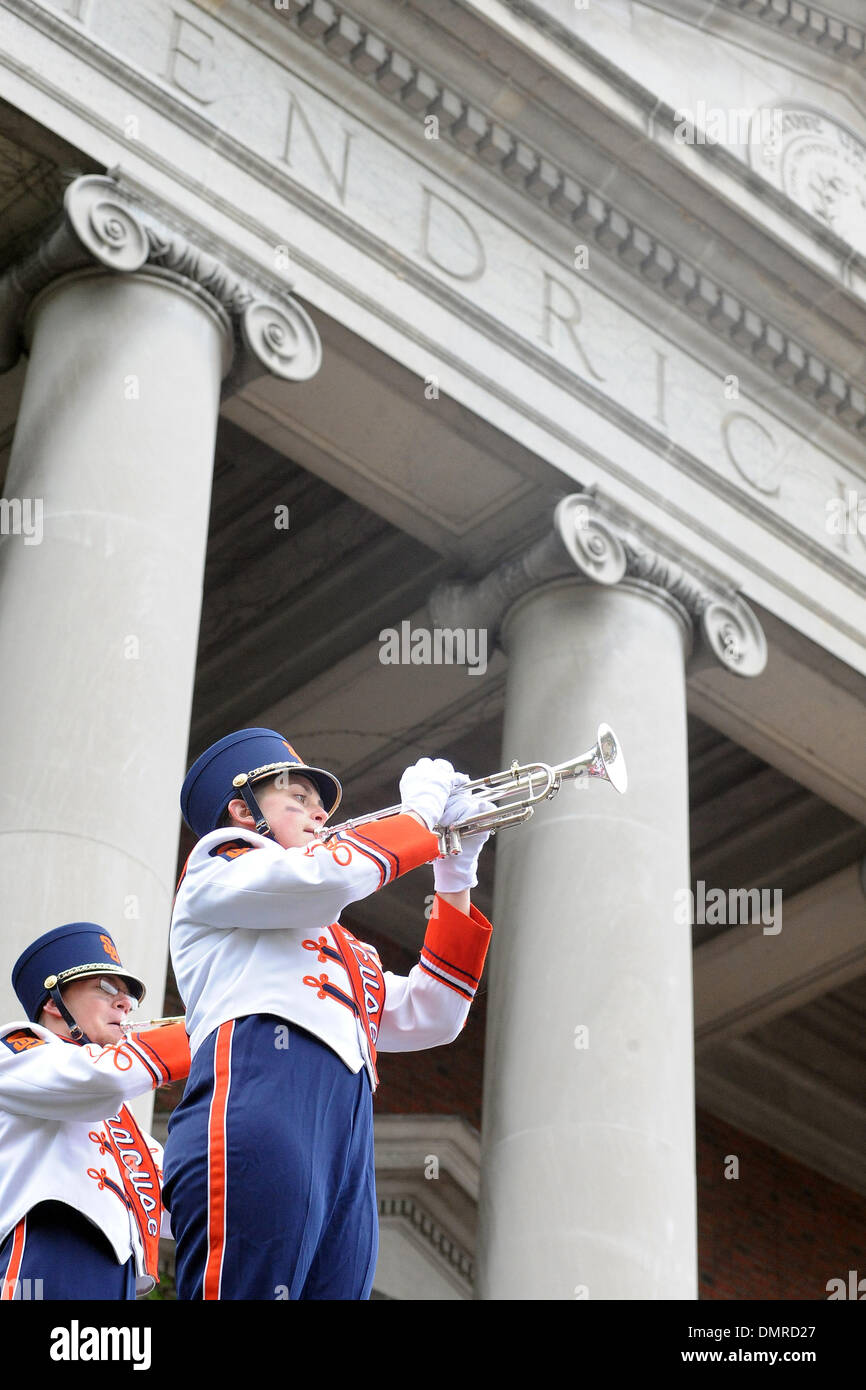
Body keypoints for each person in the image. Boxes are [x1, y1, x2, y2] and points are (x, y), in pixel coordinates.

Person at [163, 727, 494, 1301]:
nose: (320, 815)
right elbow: (327, 877)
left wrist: (455, 873)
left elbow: (437, 1011)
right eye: (299, 800)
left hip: (346, 1136)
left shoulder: (343, 948)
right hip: (259, 1096)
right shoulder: (218, 866)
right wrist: (418, 815)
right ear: (243, 812)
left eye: (321, 806)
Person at [0, 922, 190, 1300]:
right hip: (48, 1256)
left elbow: (172, 1199)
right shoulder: (15, 1051)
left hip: (116, 1278)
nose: (125, 1003)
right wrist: (206, 1032)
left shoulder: (110, 1101)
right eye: (106, 989)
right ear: (54, 1002)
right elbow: (101, 1078)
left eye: (128, 997)